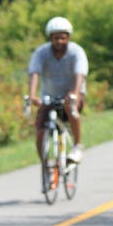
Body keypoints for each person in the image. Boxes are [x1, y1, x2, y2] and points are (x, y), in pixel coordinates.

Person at [28, 16, 88, 164]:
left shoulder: (76, 52)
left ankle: (77, 146)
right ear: (50, 38)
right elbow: (34, 73)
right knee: (40, 129)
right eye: (55, 38)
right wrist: (33, 95)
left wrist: (75, 92)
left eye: (62, 37)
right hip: (49, 96)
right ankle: (45, 165)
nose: (59, 41)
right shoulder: (41, 53)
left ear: (68, 37)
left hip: (72, 95)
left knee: (70, 105)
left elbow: (80, 74)